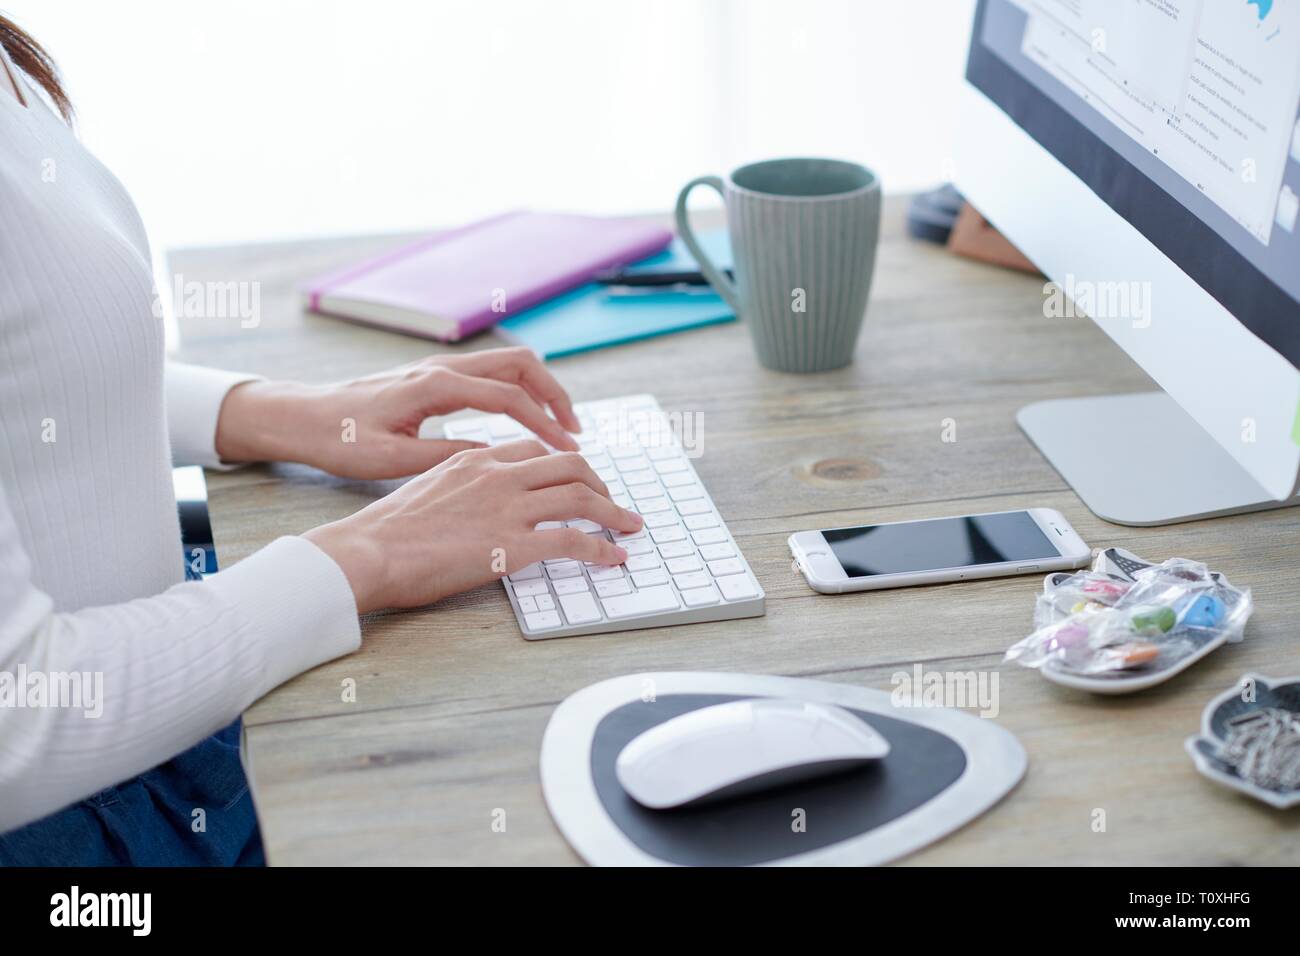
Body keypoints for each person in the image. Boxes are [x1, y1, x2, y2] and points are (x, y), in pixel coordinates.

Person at [0, 16, 640, 864]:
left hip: (168, 696)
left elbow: (36, 376)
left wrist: (285, 415)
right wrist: (373, 554)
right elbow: (21, 722)